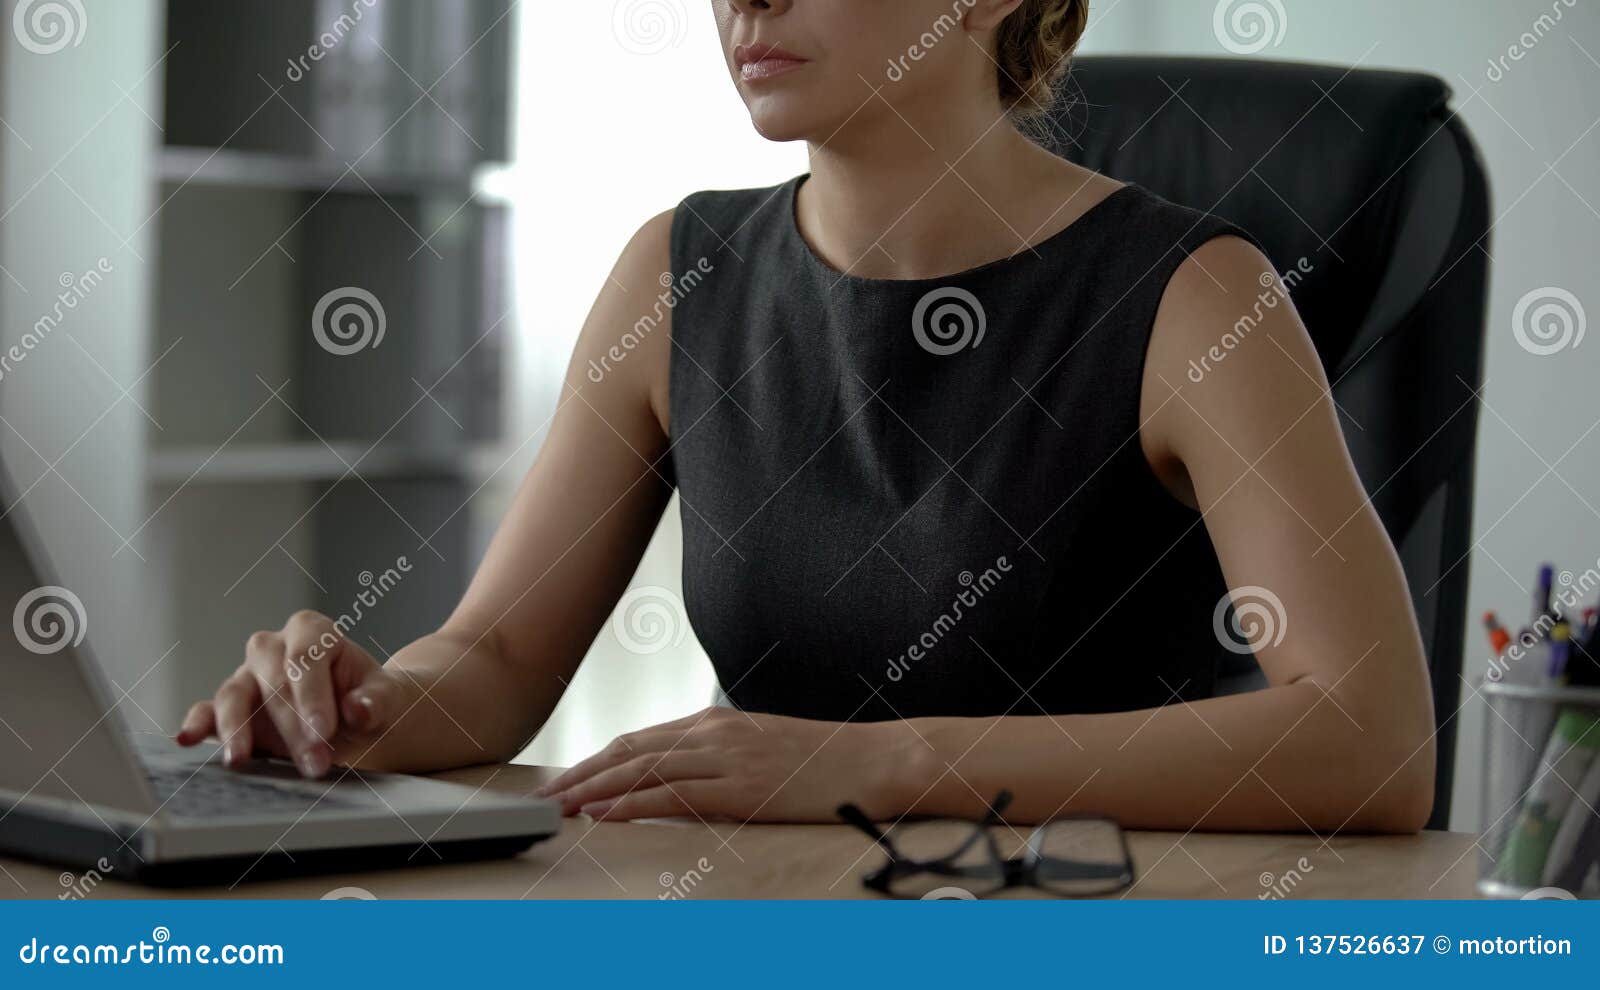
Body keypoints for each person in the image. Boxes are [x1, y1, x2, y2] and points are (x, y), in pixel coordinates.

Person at [179, 0, 1436, 831]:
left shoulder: (1193, 298)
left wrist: (888, 768)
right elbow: (498, 662)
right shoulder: (677, 272)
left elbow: (1372, 741)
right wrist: (351, 710)